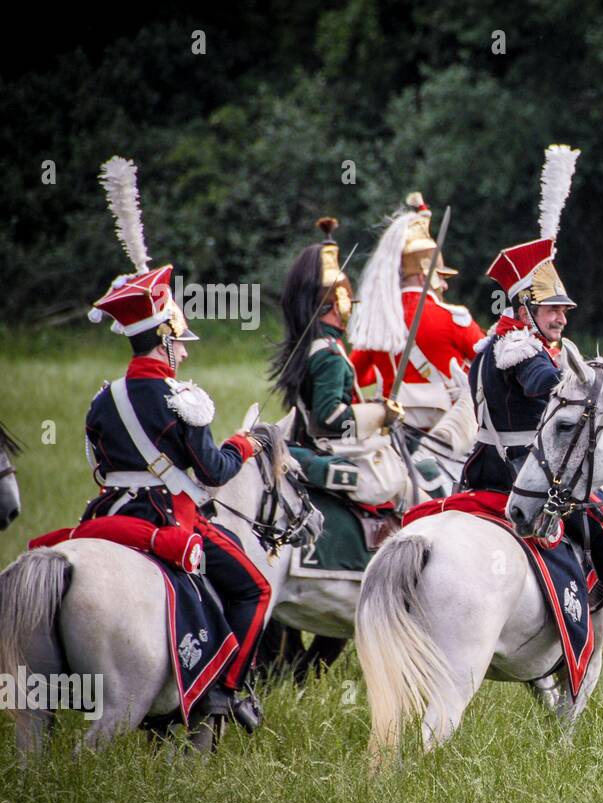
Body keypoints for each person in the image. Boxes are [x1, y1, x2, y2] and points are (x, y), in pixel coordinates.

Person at [82, 159, 267, 728]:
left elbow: (98, 465)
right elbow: (211, 473)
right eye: (179, 340)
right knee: (255, 588)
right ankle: (225, 690)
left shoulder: (101, 399)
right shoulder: (182, 399)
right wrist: (246, 442)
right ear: (162, 340)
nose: (184, 350)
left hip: (107, 513)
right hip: (169, 517)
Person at [463, 144, 603, 648]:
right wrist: (583, 388)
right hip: (518, 464)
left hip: (512, 459)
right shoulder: (517, 347)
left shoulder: (533, 341)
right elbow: (542, 386)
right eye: (552, 309)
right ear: (527, 309)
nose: (562, 317)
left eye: (565, 309)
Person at [269, 217, 407, 503]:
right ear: (340, 304)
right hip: (333, 448)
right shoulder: (329, 354)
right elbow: (328, 417)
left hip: (321, 443)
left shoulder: (316, 345)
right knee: (393, 487)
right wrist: (381, 413)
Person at [350, 192, 485, 432]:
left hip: (391, 434)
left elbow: (351, 381)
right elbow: (488, 367)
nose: (444, 285)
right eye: (441, 277)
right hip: (448, 436)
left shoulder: (378, 324)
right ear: (425, 275)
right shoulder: (453, 319)